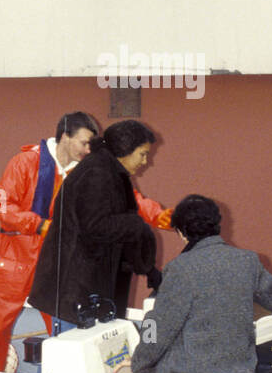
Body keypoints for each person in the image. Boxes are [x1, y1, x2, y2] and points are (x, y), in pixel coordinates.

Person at [114, 194, 272, 373]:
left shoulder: (178, 269)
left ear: (181, 233)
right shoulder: (247, 261)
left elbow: (155, 326)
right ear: (217, 224)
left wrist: (137, 362)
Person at [0, 112, 100, 371]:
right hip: (14, 257)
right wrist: (39, 224)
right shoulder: (23, 163)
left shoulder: (84, 174)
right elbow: (1, 208)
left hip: (53, 261)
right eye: (84, 143)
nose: (89, 150)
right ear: (65, 137)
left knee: (65, 331)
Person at [28, 120, 169, 327]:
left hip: (91, 289)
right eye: (142, 154)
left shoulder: (112, 173)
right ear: (126, 150)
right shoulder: (96, 174)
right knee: (75, 357)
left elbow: (125, 229)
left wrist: (148, 270)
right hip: (75, 291)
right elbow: (96, 227)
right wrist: (135, 225)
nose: (146, 161)